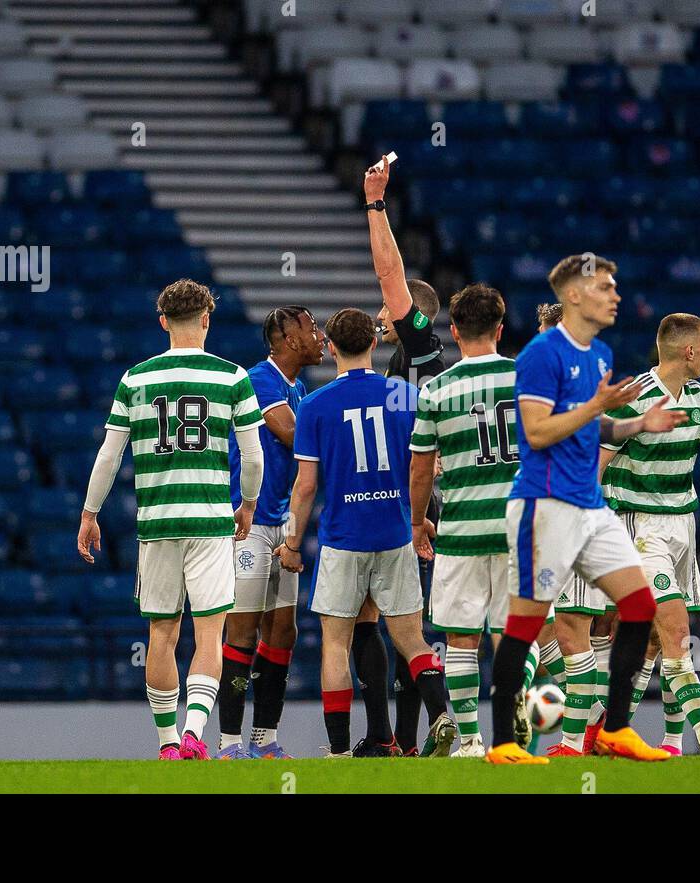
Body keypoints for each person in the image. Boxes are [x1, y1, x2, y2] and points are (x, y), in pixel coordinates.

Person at [486, 253, 690, 765]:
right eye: (604, 288)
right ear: (573, 296)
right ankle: (505, 742)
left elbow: (587, 427)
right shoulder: (539, 355)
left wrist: (636, 427)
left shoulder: (598, 354)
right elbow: (537, 431)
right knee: (526, 624)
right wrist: (598, 407)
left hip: (590, 506)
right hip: (545, 504)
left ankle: (616, 728)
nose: (615, 295)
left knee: (640, 606)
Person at [76, 279, 264, 760]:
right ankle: (194, 734)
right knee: (210, 633)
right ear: (206, 319)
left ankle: (165, 744)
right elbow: (254, 456)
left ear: (163, 322)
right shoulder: (231, 377)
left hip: (157, 524)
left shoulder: (135, 379)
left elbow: (108, 455)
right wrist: (246, 504)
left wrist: (90, 513)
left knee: (161, 633)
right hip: (209, 522)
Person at [279, 308, 457, 758]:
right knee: (412, 639)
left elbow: (304, 486)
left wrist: (293, 543)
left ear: (332, 349)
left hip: (343, 537)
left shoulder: (316, 405)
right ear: (374, 344)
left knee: (336, 646)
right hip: (396, 533)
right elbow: (424, 467)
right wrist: (420, 520)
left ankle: (339, 751)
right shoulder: (403, 396)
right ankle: (441, 717)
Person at [598, 313, 700, 755]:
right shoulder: (635, 399)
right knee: (674, 627)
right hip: (639, 524)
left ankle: (625, 733)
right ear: (688, 352)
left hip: (682, 524)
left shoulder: (699, 395)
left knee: (653, 639)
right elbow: (599, 463)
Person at [409, 283, 534, 757]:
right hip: (520, 526)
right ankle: (516, 696)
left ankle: (471, 742)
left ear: (455, 331)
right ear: (500, 329)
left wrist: (419, 521)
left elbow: (421, 469)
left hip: (461, 528)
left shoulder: (436, 389)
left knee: (460, 637)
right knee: (515, 631)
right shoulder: (527, 379)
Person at [361, 154, 448, 754]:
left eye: (390, 312)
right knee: (402, 620)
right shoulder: (400, 361)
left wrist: (375, 204)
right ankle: (404, 741)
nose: (379, 314)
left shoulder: (420, 351)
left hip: (414, 498)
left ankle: (405, 734)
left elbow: (392, 281)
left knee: (400, 622)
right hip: (408, 494)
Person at [215, 306, 325, 759]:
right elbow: (295, 436)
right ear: (285, 338)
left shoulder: (298, 386)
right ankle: (228, 742)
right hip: (250, 523)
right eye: (310, 328)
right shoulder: (259, 379)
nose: (318, 335)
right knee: (242, 630)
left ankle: (265, 738)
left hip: (283, 522)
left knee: (282, 631)